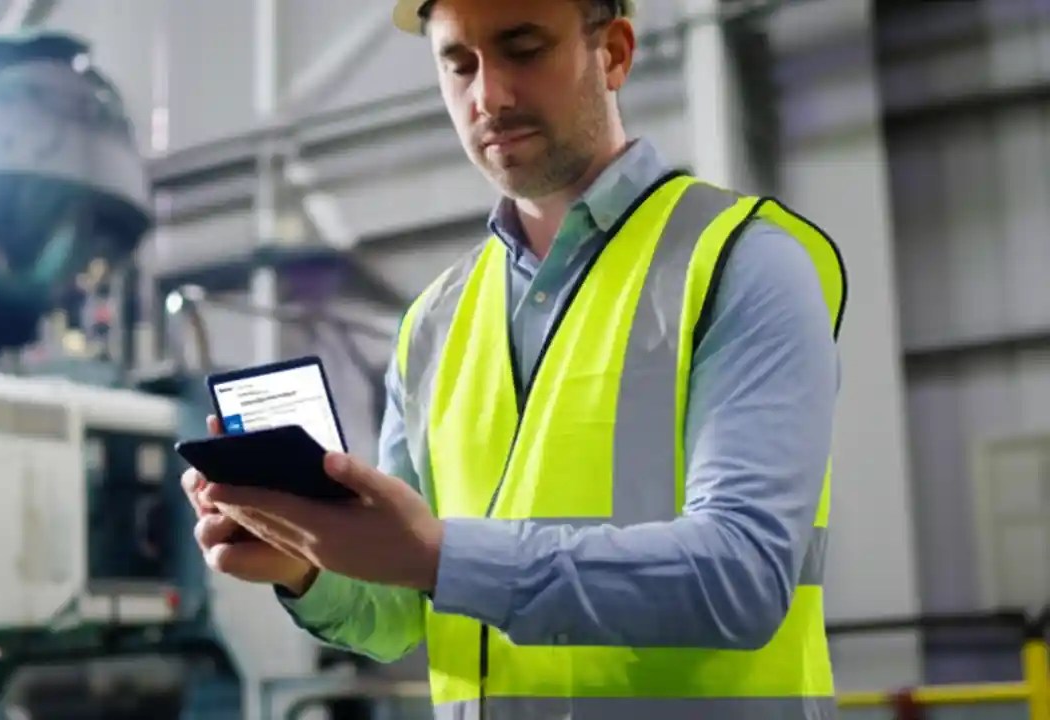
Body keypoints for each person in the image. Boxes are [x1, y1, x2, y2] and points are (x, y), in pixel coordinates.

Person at [182, 0, 847, 717]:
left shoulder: (742, 262)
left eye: (522, 49)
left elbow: (740, 579)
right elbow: (400, 612)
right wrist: (308, 564)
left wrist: (438, 557)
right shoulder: (433, 324)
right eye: (459, 64)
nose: (488, 97)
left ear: (615, 53)